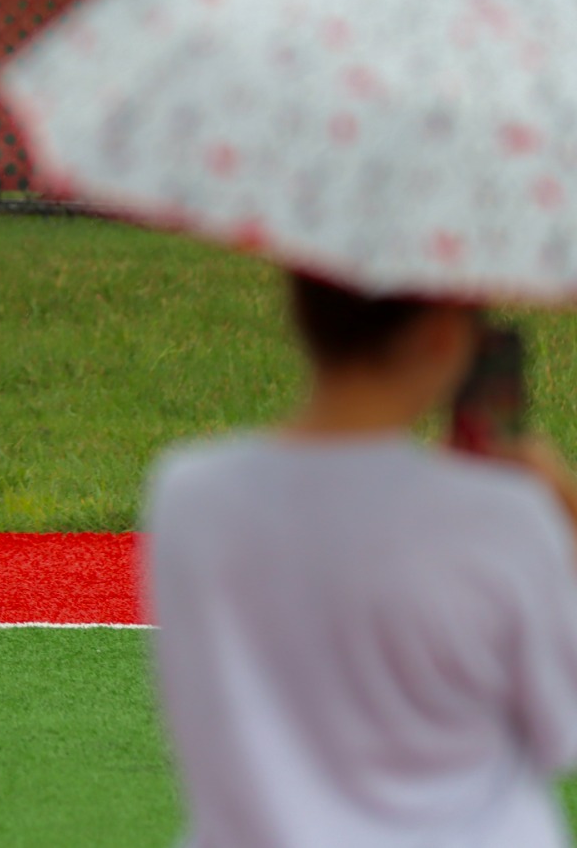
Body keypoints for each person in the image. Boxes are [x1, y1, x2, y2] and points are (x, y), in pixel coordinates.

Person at [145, 272, 577, 846]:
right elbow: (560, 729)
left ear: (300, 305)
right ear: (444, 334)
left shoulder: (188, 496)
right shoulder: (505, 518)